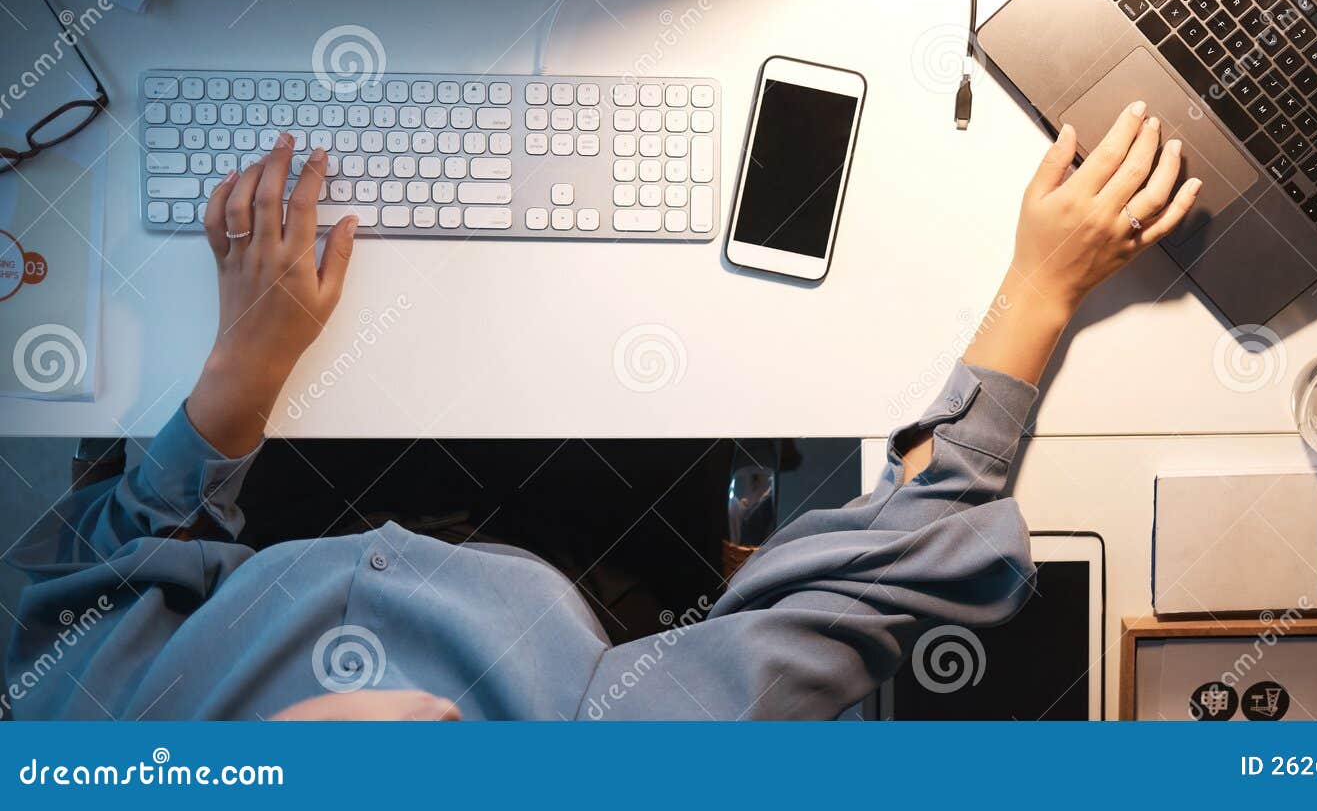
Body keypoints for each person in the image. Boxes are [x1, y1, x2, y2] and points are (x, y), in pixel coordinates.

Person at [5, 100, 1197, 720]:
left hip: (274, 526)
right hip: (575, 587)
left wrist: (239, 375)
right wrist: (1043, 281)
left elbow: (107, 567)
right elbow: (906, 559)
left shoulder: (77, 740)